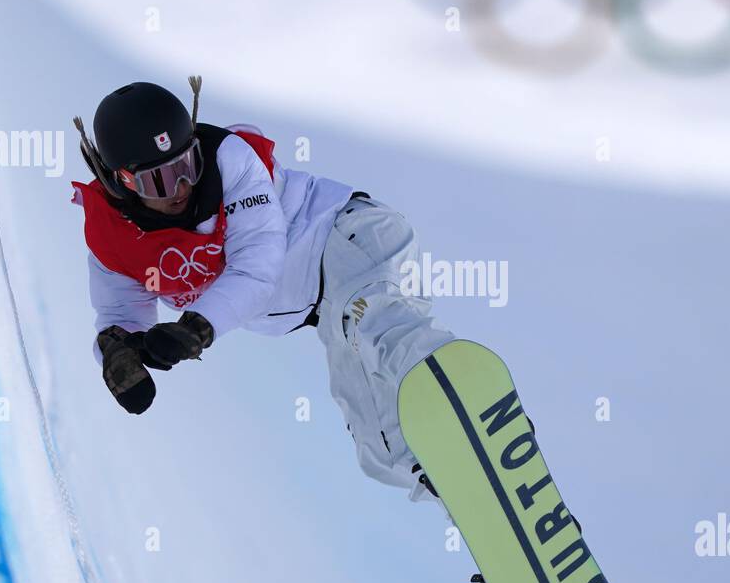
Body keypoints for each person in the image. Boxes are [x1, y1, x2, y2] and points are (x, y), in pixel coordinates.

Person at [71, 78, 455, 509]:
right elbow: (119, 314)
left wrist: (196, 327)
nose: (180, 189)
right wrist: (120, 352)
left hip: (346, 238)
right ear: (121, 182)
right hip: (324, 309)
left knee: (373, 321)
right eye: (159, 181)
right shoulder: (114, 237)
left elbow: (257, 268)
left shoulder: (231, 161)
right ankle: (488, 528)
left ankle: (464, 406)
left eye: (186, 166)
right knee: (382, 449)